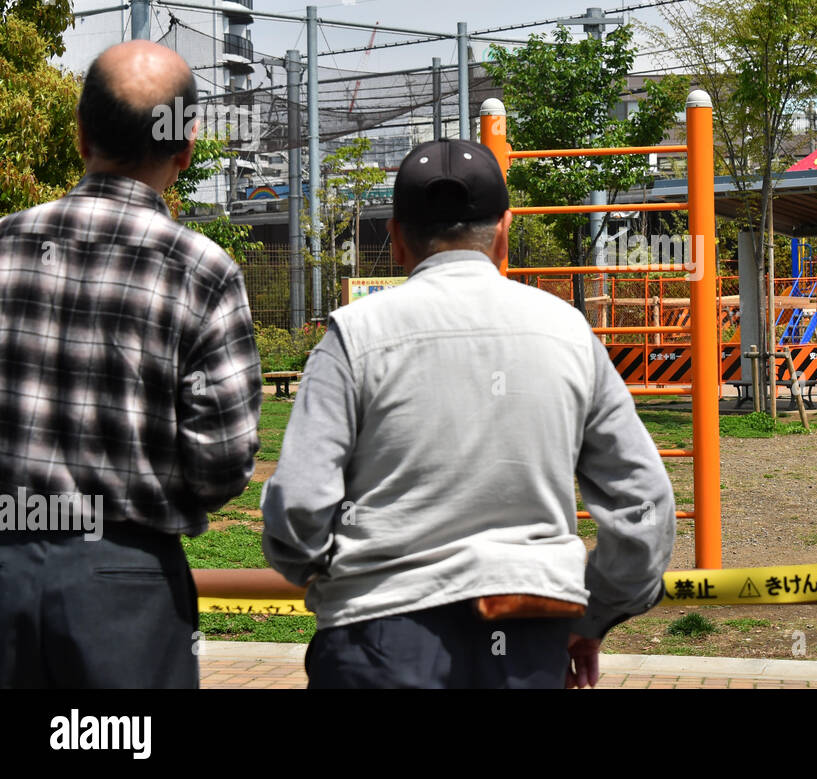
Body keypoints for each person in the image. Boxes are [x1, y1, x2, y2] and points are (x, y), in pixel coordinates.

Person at [260, 138, 675, 689]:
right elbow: (643, 503)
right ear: (504, 229)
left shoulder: (354, 336)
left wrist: (333, 578)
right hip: (526, 638)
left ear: (397, 237)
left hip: (377, 639)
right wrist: (593, 612)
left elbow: (297, 507)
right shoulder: (568, 331)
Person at [0, 40, 263, 688]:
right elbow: (222, 464)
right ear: (187, 147)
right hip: (127, 588)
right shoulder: (204, 272)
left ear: (82, 131)